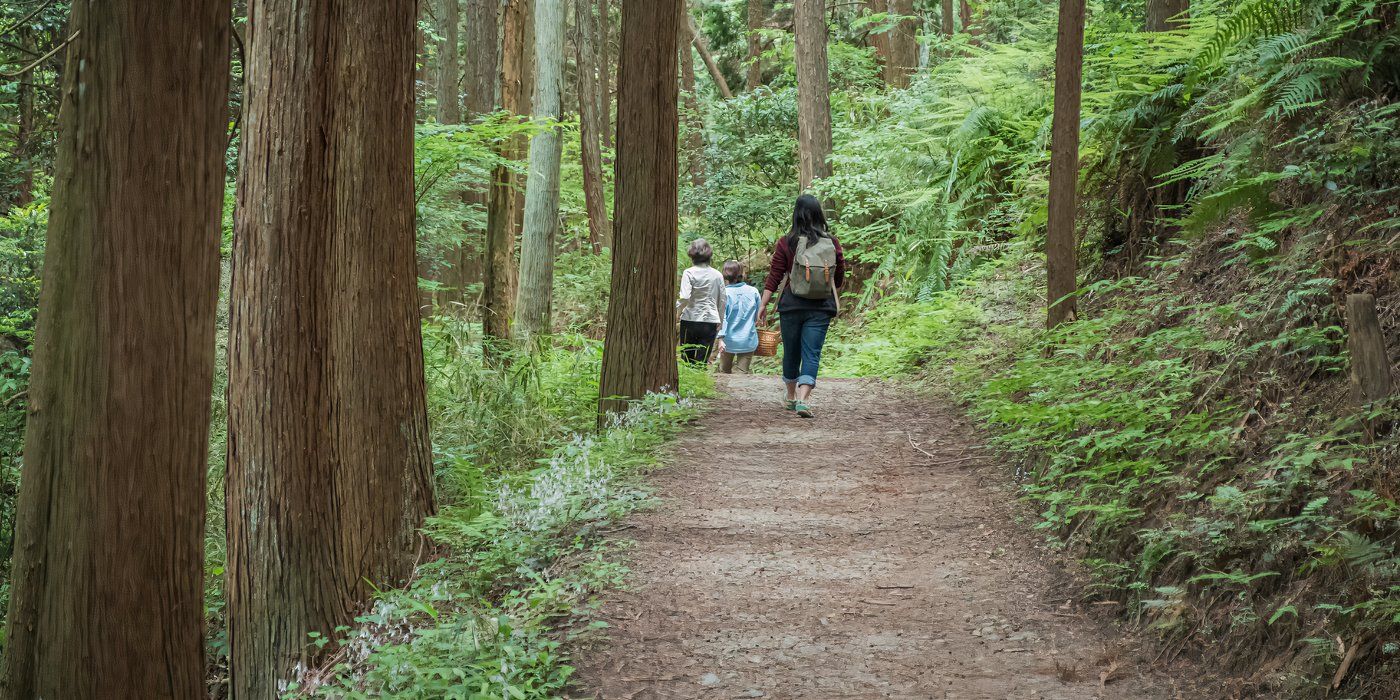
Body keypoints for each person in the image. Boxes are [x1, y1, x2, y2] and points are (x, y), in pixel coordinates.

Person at [758, 194, 845, 417]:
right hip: (821, 307)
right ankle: (804, 399)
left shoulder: (786, 242)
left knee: (791, 352)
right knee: (812, 353)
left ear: (796, 214)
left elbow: (775, 276)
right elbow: (839, 275)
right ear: (819, 213)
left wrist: (763, 305)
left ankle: (790, 396)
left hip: (791, 306)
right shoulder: (832, 242)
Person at [677, 238, 725, 365]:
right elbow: (722, 300)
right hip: (710, 321)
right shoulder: (717, 275)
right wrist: (720, 320)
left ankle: (689, 384)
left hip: (690, 320)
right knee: (702, 361)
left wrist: (678, 312)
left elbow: (685, 297)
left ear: (692, 255)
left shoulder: (688, 273)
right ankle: (700, 381)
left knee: (687, 359)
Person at [716, 260, 760, 374]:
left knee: (724, 373)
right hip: (747, 340)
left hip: (727, 341)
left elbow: (722, 318)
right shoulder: (753, 292)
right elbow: (757, 317)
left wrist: (720, 338)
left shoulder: (724, 293)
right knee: (742, 374)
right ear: (742, 274)